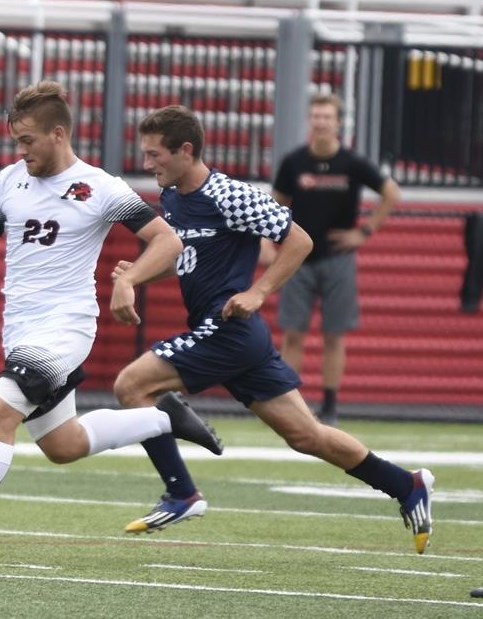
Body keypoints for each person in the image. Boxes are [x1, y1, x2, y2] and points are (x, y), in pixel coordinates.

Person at [0, 82, 221, 559]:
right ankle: (162, 417)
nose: (20, 149)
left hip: (64, 329)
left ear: (58, 133)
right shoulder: (11, 181)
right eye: (16, 141)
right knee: (62, 444)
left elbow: (168, 242)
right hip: (21, 332)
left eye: (27, 140)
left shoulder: (100, 187)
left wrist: (128, 278)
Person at [110, 105, 433, 553]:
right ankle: (406, 484)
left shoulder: (228, 194)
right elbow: (191, 259)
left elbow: (299, 241)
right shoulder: (174, 197)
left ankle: (180, 490)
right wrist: (139, 273)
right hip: (238, 336)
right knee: (307, 436)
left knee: (131, 386)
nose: (147, 165)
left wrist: (259, 291)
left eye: (154, 155)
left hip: (226, 328)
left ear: (185, 150)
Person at [270, 92, 401, 426]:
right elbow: (276, 204)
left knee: (334, 335)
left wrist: (364, 232)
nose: (322, 122)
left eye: (328, 117)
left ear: (339, 123)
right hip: (298, 258)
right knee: (293, 334)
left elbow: (391, 193)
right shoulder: (294, 162)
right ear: (310, 121)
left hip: (338, 258)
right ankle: (288, 402)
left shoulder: (352, 163)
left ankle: (329, 405)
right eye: (316, 116)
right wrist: (270, 243)